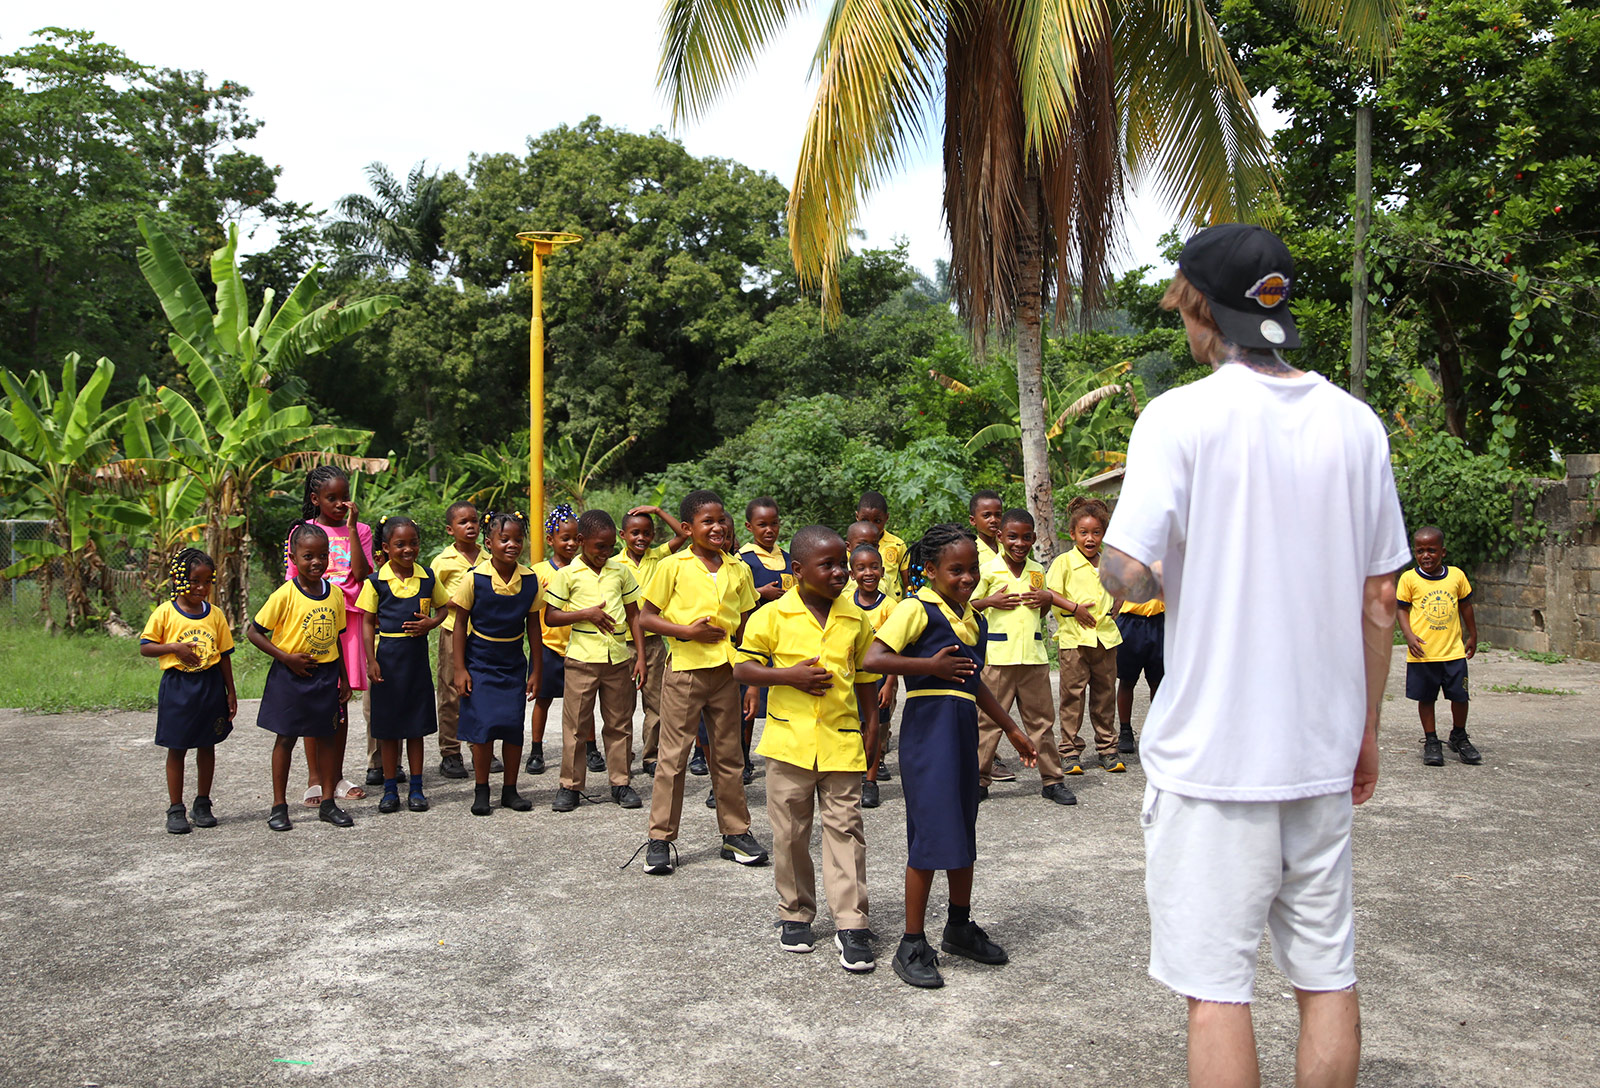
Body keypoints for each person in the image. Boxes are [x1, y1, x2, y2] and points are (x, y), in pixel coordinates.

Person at [1098, 222, 1410, 1088]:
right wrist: (1365, 732)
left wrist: (1124, 562)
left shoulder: (1179, 417)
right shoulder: (1357, 424)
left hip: (1214, 763)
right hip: (1319, 755)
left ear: (1201, 308)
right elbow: (1380, 600)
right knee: (1327, 974)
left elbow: (1127, 574)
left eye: (1183, 310)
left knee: (1216, 993)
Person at [862, 524, 1038, 990]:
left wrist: (1011, 729)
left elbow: (974, 682)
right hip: (929, 731)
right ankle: (911, 942)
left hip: (962, 730)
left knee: (962, 826)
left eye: (972, 568)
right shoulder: (914, 608)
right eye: (956, 569)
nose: (967, 577)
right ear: (931, 570)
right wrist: (929, 666)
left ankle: (959, 925)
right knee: (930, 833)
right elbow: (873, 658)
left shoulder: (973, 618)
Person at [734, 525, 879, 972]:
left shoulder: (855, 618)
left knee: (846, 832)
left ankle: (851, 923)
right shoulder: (771, 616)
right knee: (790, 834)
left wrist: (873, 728)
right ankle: (795, 912)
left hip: (841, 742)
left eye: (842, 564)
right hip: (789, 745)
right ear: (797, 570)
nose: (840, 573)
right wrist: (787, 677)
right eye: (828, 565)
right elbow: (743, 668)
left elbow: (866, 678)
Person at [636, 489, 769, 875]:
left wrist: (754, 678)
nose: (717, 527)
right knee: (673, 758)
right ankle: (660, 838)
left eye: (721, 519)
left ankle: (735, 833)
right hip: (685, 672)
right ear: (687, 528)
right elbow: (646, 617)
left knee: (729, 756)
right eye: (706, 521)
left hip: (727, 672)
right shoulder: (672, 566)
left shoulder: (737, 568)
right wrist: (686, 631)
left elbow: (748, 626)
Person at [250, 521, 353, 831]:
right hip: (291, 676)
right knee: (286, 739)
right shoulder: (284, 594)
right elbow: (254, 632)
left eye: (322, 555)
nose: (316, 562)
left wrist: (344, 678)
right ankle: (278, 807)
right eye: (308, 556)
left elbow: (336, 638)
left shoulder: (335, 595)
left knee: (327, 738)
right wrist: (286, 658)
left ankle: (328, 803)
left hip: (325, 676)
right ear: (293, 558)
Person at [542, 509, 647, 812]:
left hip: (618, 659)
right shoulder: (567, 574)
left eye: (611, 546)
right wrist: (585, 614)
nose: (605, 552)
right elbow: (551, 616)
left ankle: (621, 782)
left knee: (619, 724)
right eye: (599, 546)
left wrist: (640, 657)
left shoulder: (620, 572)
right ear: (581, 541)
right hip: (581, 660)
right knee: (576, 725)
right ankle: (570, 786)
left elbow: (634, 615)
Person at [286, 465, 373, 806]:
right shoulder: (301, 532)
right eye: (331, 498)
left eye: (344, 497)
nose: (339, 504)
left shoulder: (361, 530)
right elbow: (292, 581)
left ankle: (335, 776)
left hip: (348, 621)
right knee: (315, 699)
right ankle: (314, 778)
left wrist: (351, 529)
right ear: (315, 499)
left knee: (339, 699)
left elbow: (361, 574)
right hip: (312, 623)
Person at [973, 508, 1072, 805]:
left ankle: (1052, 780)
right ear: (1000, 536)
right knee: (988, 723)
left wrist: (1047, 598)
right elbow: (968, 606)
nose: (1019, 543)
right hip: (998, 659)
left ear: (1034, 538)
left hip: (1033, 658)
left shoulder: (1037, 570)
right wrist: (990, 601)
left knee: (1042, 723)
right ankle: (979, 780)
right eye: (1012, 537)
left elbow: (1040, 611)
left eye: (1026, 538)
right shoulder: (988, 569)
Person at [451, 511, 545, 816]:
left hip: (512, 663)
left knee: (512, 726)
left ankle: (510, 790)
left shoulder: (530, 580)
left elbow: (534, 627)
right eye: (504, 539)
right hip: (480, 662)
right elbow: (459, 624)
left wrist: (536, 670)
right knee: (483, 728)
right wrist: (460, 669)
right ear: (489, 543)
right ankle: (481, 790)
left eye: (518, 539)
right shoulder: (474, 578)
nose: (512, 545)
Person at [139, 548, 238, 834]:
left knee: (207, 744)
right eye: (195, 581)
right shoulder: (165, 612)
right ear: (178, 579)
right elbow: (146, 647)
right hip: (178, 687)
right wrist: (173, 648)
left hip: (210, 685)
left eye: (207, 582)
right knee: (177, 747)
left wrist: (230, 691)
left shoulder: (215, 614)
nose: (201, 588)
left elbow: (225, 655)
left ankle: (202, 803)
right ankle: (175, 809)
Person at [358, 516, 449, 814]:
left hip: (416, 660)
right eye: (400, 544)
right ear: (385, 548)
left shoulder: (428, 578)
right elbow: (367, 622)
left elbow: (444, 608)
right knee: (388, 729)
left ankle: (417, 788)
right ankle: (389, 789)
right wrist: (371, 660)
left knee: (415, 727)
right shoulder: (376, 581)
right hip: (387, 659)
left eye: (413, 543)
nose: (408, 549)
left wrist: (431, 623)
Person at [1046, 496, 1126, 775]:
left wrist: (1119, 601)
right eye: (1084, 532)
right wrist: (1074, 608)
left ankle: (1108, 748)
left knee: (1105, 694)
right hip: (1074, 640)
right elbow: (1050, 593)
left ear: (1104, 534)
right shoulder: (1064, 562)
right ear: (1073, 534)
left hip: (1105, 639)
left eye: (1096, 532)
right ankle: (1069, 750)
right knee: (1072, 696)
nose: (1090, 538)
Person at [1398, 526, 1482, 766]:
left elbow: (1466, 606)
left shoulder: (1456, 576)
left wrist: (1473, 634)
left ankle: (1459, 736)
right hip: (1423, 653)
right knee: (1426, 698)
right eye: (1420, 551)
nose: (1426, 555)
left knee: (1460, 696)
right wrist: (1409, 635)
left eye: (1432, 550)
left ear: (1442, 552)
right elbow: (1401, 609)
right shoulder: (1409, 579)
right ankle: (1431, 740)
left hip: (1452, 652)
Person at [618, 504, 687, 776]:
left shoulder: (658, 556)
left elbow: (683, 535)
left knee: (656, 703)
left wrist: (658, 511)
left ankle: (650, 756)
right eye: (635, 533)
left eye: (647, 533)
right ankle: (622, 757)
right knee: (622, 707)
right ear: (622, 535)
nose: (641, 538)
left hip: (653, 642)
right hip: (623, 644)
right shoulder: (614, 564)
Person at [526, 504, 580, 776]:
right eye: (565, 538)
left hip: (579, 647)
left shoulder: (584, 569)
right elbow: (530, 612)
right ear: (551, 540)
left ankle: (589, 748)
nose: (571, 544)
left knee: (581, 702)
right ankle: (536, 750)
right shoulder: (538, 572)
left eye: (576, 538)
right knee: (543, 699)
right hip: (548, 647)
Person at [430, 501, 480, 779]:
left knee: (480, 691)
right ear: (450, 529)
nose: (470, 526)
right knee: (451, 692)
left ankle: (480, 746)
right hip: (452, 630)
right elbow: (432, 595)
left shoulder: (489, 557)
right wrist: (458, 601)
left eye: (474, 520)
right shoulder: (443, 561)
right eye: (463, 522)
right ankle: (450, 752)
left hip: (482, 634)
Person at [850, 543, 898, 809]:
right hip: (852, 678)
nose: (868, 573)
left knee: (875, 728)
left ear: (882, 571)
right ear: (851, 574)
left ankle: (870, 781)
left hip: (879, 680)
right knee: (853, 727)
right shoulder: (846, 604)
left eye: (874, 567)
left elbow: (894, 649)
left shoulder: (890, 607)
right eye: (861, 568)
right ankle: (852, 776)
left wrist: (889, 683)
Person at [1114, 593, 1165, 757]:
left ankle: (1158, 730)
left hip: (1159, 621)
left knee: (1158, 682)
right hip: (1130, 621)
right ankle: (1125, 731)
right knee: (1127, 680)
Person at [854, 491, 909, 600]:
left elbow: (909, 584)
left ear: (886, 518)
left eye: (877, 521)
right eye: (864, 520)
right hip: (858, 606)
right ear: (857, 516)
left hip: (892, 606)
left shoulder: (897, 544)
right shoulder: (851, 545)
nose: (871, 526)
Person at [968, 490, 1004, 565]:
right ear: (973, 520)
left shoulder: (1008, 546)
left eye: (998, 515)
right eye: (986, 515)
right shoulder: (971, 550)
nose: (993, 520)